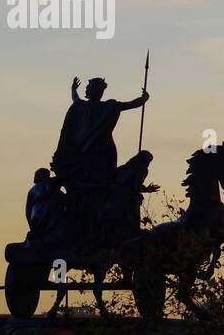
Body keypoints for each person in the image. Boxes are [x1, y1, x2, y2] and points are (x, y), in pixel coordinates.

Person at [52, 76, 148, 243]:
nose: (87, 90)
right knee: (80, 188)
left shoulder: (109, 106)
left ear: (98, 91)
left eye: (90, 87)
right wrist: (72, 90)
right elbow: (76, 99)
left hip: (101, 155)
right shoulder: (80, 107)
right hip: (83, 156)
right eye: (87, 88)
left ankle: (97, 227)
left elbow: (130, 105)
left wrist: (144, 99)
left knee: (100, 186)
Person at [25, 168, 66, 247]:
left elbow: (28, 210)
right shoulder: (49, 184)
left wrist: (31, 224)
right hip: (45, 214)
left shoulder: (33, 190)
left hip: (38, 215)